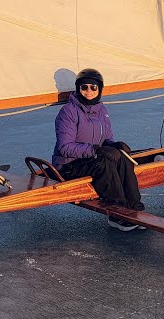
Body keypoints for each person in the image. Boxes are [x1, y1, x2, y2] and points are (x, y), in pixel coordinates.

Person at [52, 68, 145, 231]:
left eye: (93, 87)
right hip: (69, 165)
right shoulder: (68, 112)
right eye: (84, 87)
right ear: (78, 89)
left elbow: (107, 139)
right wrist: (96, 150)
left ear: (99, 89)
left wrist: (114, 145)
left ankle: (134, 207)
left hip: (90, 158)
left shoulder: (102, 110)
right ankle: (117, 214)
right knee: (104, 164)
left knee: (122, 158)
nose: (88, 91)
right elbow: (65, 147)